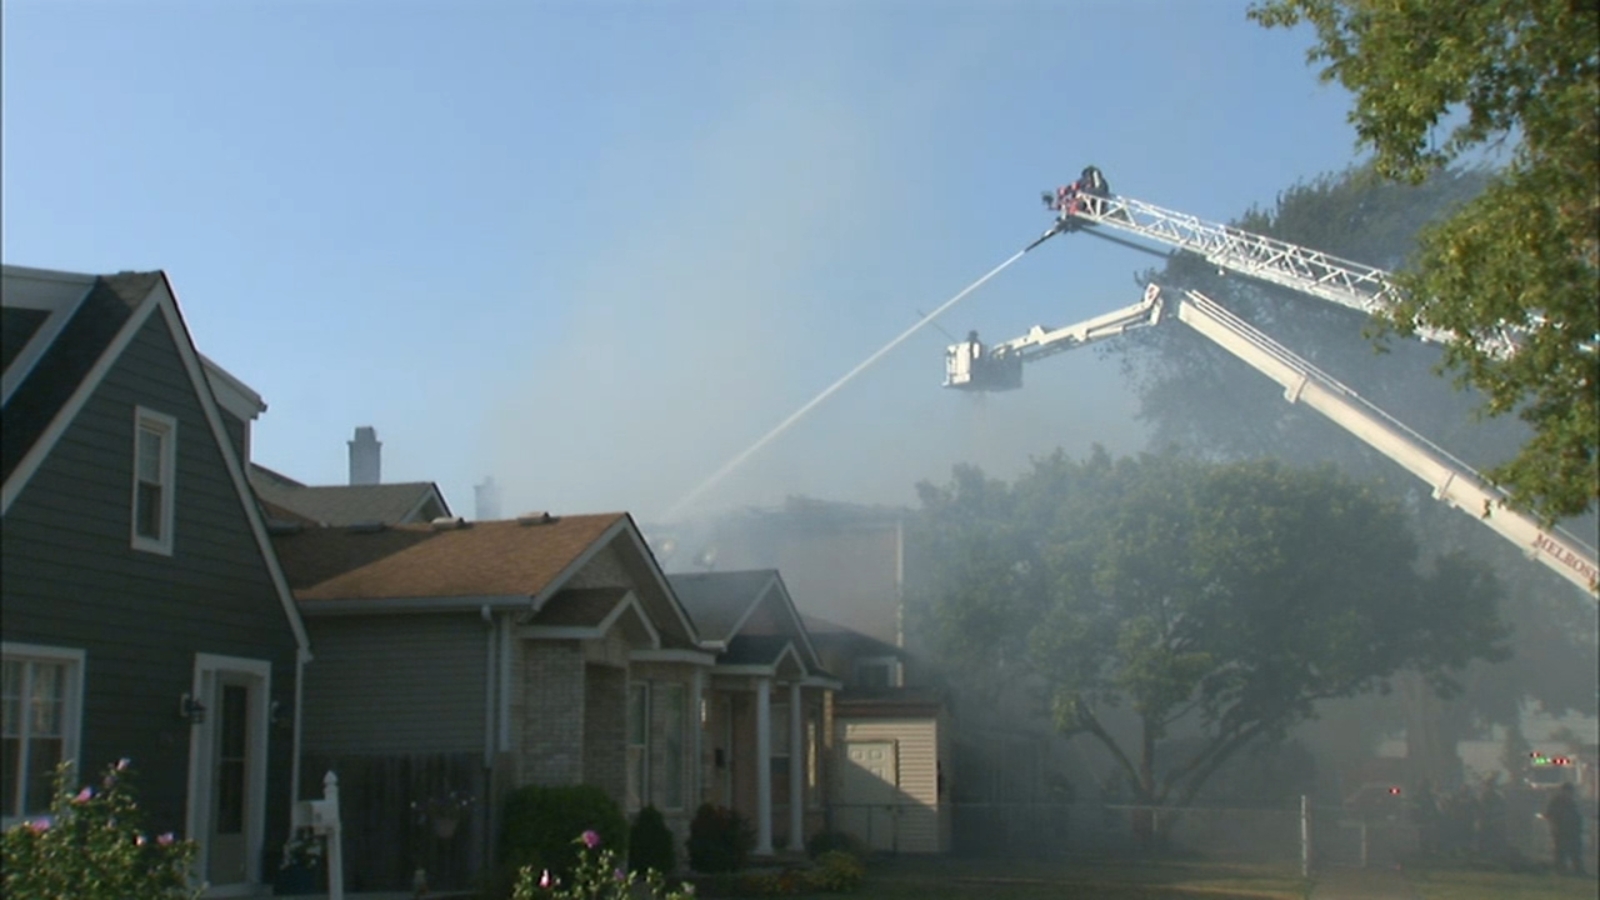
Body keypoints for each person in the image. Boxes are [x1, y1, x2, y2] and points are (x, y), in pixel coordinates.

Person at [1544, 782, 1585, 874]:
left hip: (1572, 832)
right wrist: (1555, 827)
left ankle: (1577, 870)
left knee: (1575, 852)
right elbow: (1549, 815)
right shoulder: (1556, 801)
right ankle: (1561, 870)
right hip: (1561, 831)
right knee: (1561, 851)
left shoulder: (1571, 802)